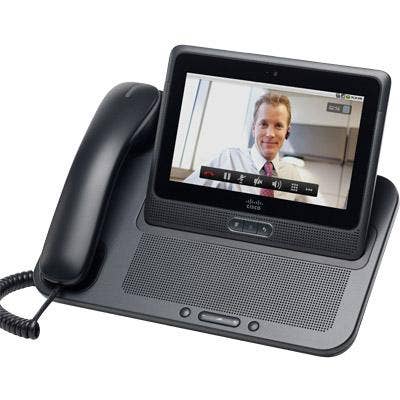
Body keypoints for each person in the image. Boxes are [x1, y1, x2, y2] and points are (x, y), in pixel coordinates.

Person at [184, 93, 305, 201]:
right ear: (253, 128)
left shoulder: (293, 175)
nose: (270, 134)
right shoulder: (227, 159)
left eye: (278, 125)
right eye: (263, 124)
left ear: (287, 131)